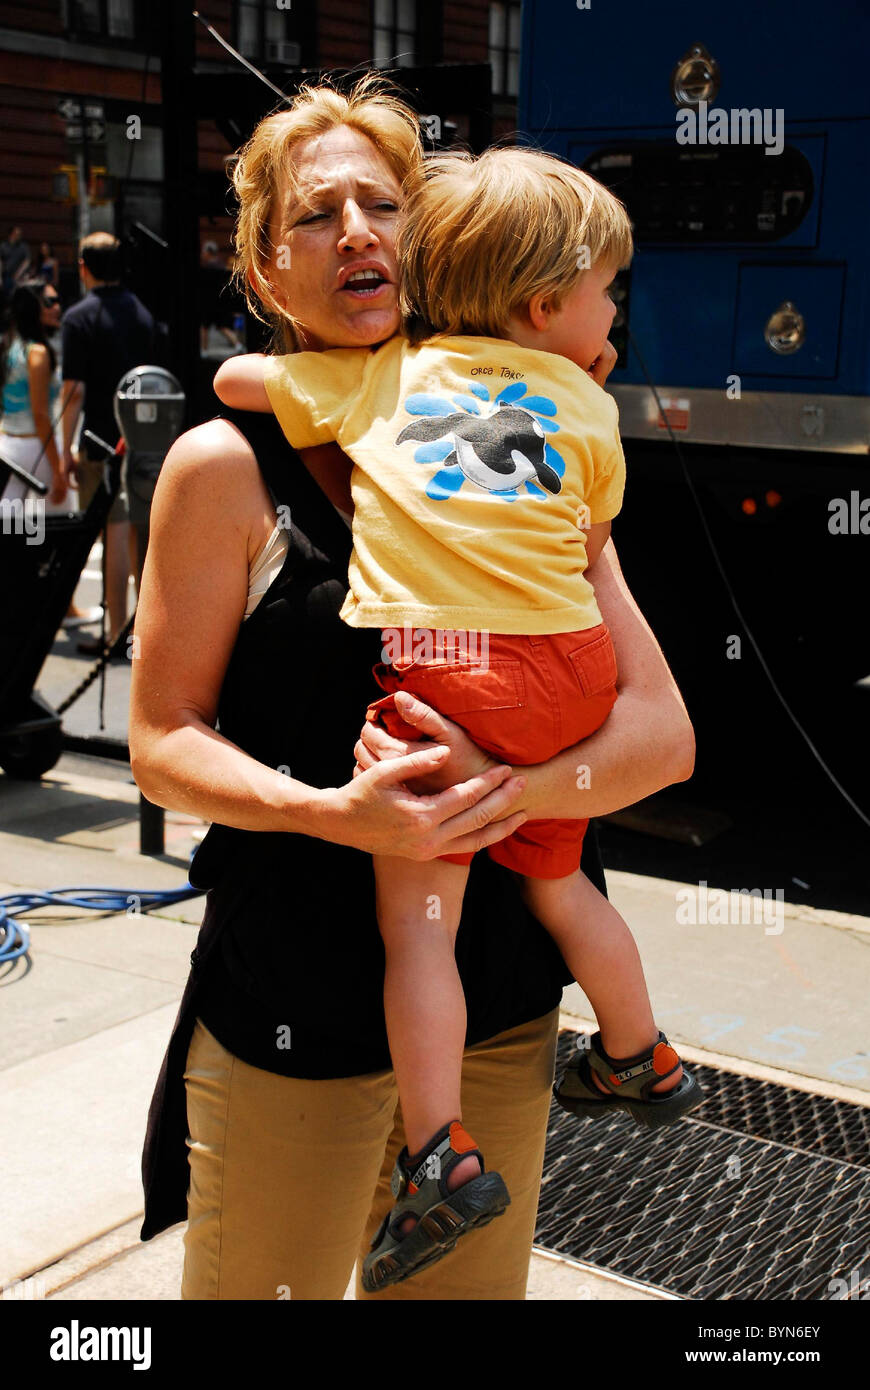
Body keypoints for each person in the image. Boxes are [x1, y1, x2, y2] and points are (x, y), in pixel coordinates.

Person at [131, 75, 695, 1302]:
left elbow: (661, 738)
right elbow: (163, 743)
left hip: (494, 1007)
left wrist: (517, 791)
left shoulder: (508, 446)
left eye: (382, 203)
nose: (356, 231)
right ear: (265, 273)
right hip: (296, 1010)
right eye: (315, 215)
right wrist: (337, 812)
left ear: (424, 238)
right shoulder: (225, 466)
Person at [59, 232, 158, 654]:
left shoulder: (78, 318)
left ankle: (116, 632)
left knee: (112, 531)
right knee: (140, 532)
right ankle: (142, 629)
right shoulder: (143, 314)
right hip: (146, 437)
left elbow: (73, 391)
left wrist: (65, 448)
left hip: (101, 438)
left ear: (85, 267)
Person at [0, 279, 67, 509]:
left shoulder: (8, 347)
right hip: (35, 448)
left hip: (7, 445)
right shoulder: (37, 354)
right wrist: (58, 468)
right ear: (33, 307)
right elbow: (40, 415)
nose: (57, 307)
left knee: (8, 527)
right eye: (49, 302)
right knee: (54, 528)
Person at [0, 226, 31, 297]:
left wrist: (18, 273)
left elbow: (27, 261)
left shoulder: (23, 247)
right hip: (6, 275)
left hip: (20, 276)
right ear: (11, 234)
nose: (19, 236)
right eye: (17, 234)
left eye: (20, 234)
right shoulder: (3, 246)